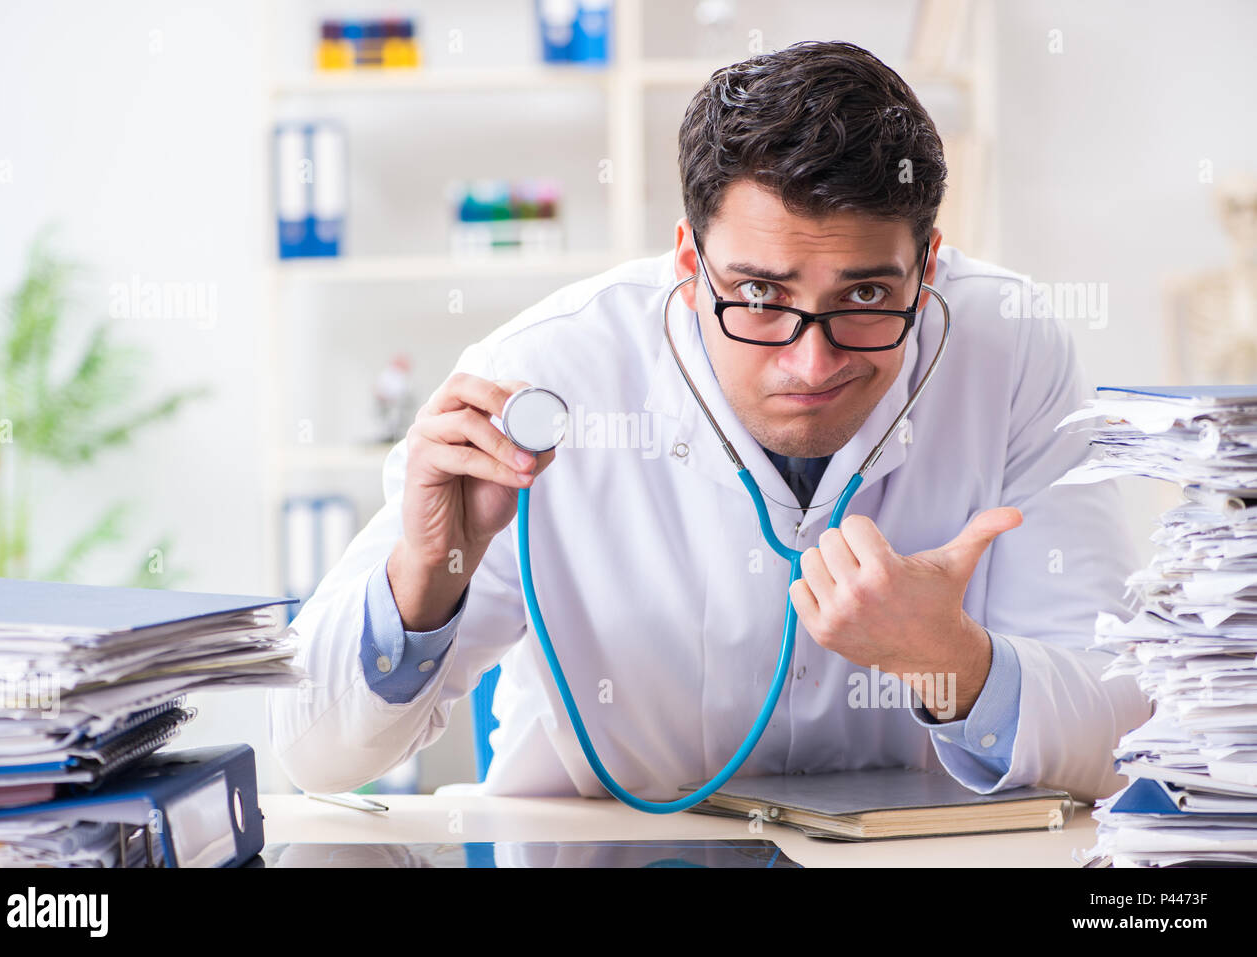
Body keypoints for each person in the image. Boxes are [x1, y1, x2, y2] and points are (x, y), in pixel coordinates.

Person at [267, 40, 1150, 806]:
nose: (811, 363)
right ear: (689, 261)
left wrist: (949, 659)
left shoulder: (1012, 348)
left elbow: (1123, 727)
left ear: (930, 263)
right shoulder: (542, 377)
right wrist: (428, 573)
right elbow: (315, 753)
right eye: (760, 296)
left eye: (868, 295)